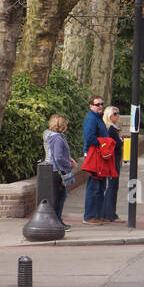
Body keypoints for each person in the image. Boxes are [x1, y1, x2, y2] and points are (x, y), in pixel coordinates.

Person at [43, 114, 75, 230]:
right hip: (57, 171)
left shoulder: (49, 136)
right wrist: (69, 164)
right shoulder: (58, 138)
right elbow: (58, 157)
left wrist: (69, 158)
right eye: (65, 124)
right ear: (62, 125)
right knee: (59, 197)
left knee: (57, 197)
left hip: (51, 169)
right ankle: (56, 222)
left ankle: (55, 221)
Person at [81, 94, 107, 225]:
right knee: (94, 187)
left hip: (100, 156)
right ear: (91, 106)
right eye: (97, 105)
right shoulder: (91, 119)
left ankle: (97, 214)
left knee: (100, 186)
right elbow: (90, 138)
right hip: (94, 156)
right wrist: (105, 143)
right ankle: (90, 216)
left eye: (102, 104)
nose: (101, 106)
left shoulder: (98, 118)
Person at [101, 106, 124, 223]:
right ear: (109, 115)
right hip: (113, 160)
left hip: (113, 160)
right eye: (115, 113)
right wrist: (122, 140)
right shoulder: (111, 129)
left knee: (111, 186)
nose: (117, 115)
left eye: (118, 113)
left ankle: (106, 213)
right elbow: (117, 143)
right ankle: (111, 215)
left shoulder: (111, 128)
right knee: (112, 186)